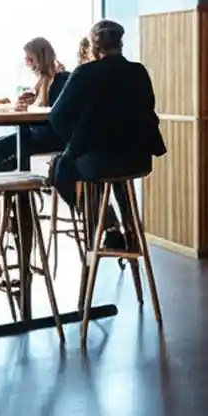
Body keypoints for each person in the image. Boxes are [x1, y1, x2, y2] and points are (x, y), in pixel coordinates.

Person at [50, 20, 166, 251]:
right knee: (116, 175)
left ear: (94, 47)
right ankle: (131, 230)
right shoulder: (138, 71)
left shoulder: (84, 73)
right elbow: (148, 107)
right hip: (138, 158)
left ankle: (110, 228)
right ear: (120, 43)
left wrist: (76, 137)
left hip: (98, 162)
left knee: (63, 170)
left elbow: (58, 116)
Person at [0, 37, 70, 171]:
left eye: (30, 59)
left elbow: (52, 113)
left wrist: (29, 106)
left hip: (46, 139)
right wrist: (26, 103)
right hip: (30, 134)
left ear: (40, 59)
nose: (27, 64)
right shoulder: (41, 82)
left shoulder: (62, 81)